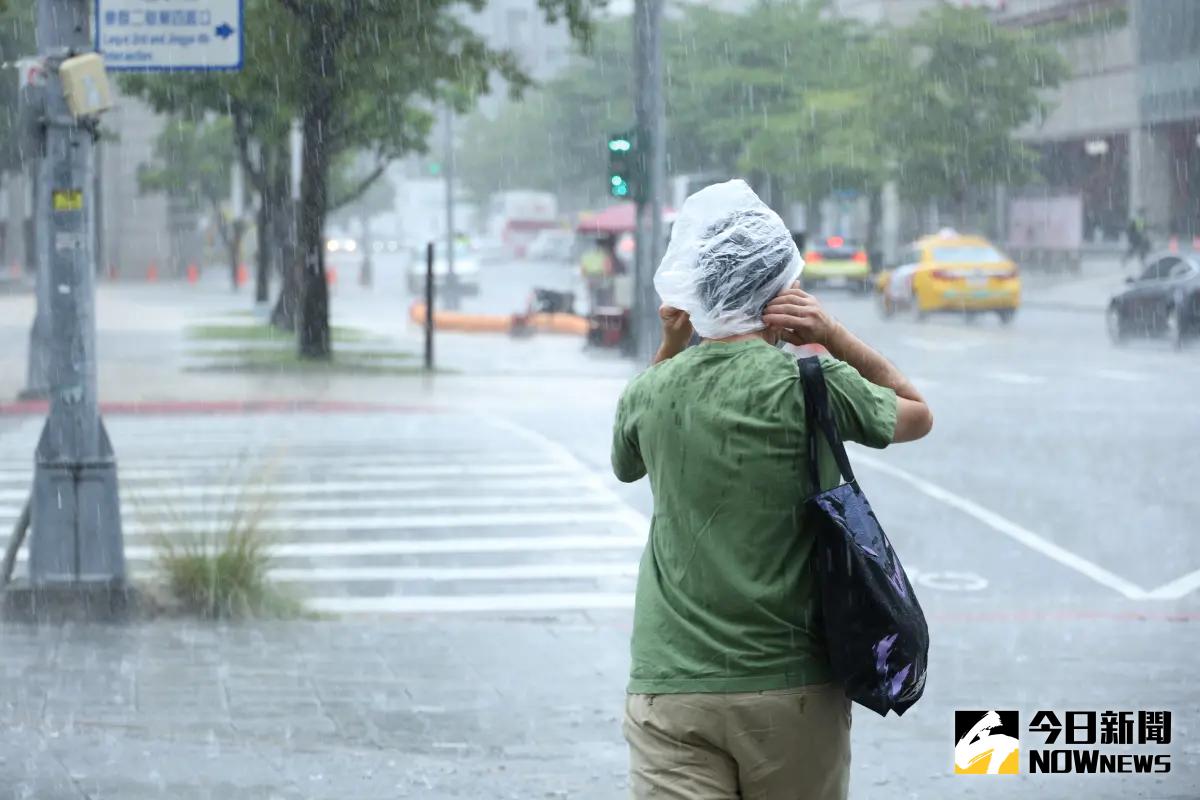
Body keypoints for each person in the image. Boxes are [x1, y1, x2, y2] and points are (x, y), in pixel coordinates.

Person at [612, 180, 933, 800]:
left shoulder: (651, 390)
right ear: (782, 293)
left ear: (694, 294)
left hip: (672, 687)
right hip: (792, 690)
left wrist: (671, 346)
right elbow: (916, 412)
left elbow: (627, 463)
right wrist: (832, 334)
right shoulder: (812, 382)